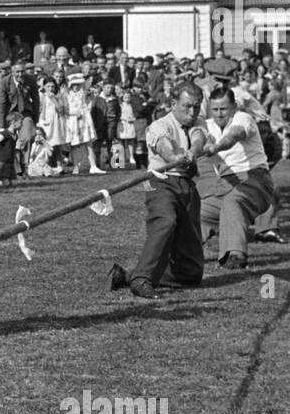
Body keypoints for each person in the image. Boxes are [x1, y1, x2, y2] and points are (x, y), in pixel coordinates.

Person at [108, 82, 207, 301]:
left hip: (186, 186)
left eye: (196, 107)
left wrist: (192, 151)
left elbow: (199, 137)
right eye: (187, 107)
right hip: (160, 182)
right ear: (173, 104)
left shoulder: (198, 122)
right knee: (166, 221)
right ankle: (141, 279)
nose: (192, 113)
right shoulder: (159, 125)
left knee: (191, 273)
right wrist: (173, 158)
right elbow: (162, 144)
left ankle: (126, 275)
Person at [197, 87, 275, 271]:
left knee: (233, 201)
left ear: (234, 106)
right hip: (226, 184)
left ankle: (236, 255)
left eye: (223, 109)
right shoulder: (207, 126)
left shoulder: (243, 119)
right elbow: (198, 138)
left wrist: (215, 147)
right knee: (197, 212)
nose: (219, 114)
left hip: (255, 180)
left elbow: (233, 136)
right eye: (215, 109)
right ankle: (184, 254)